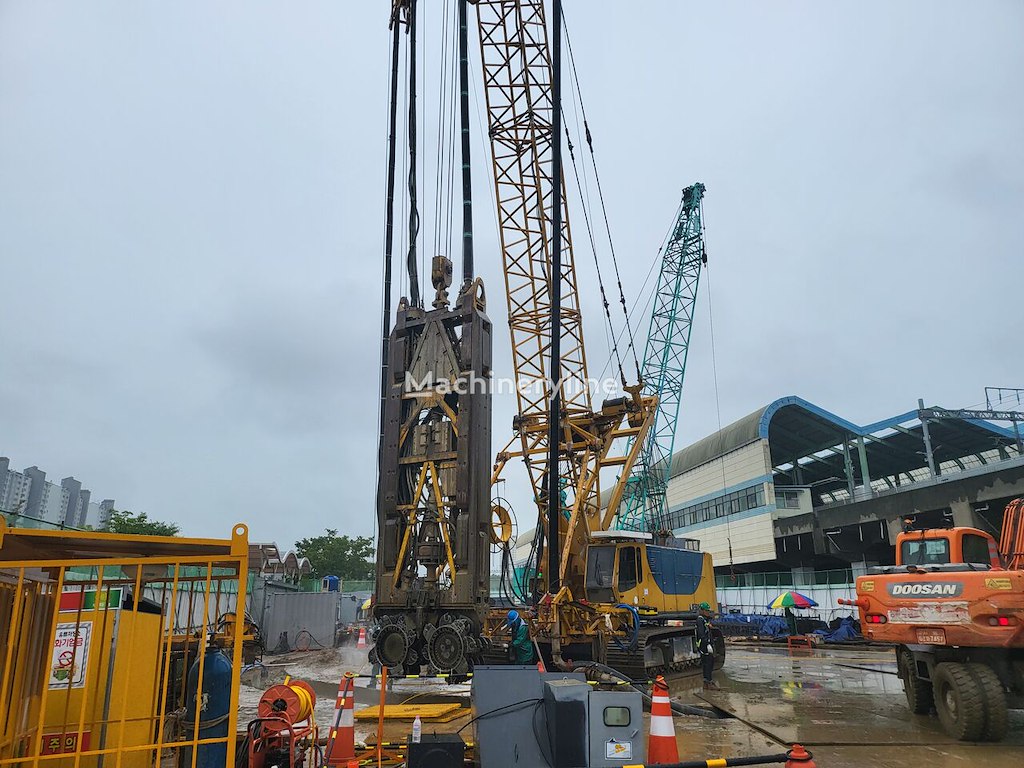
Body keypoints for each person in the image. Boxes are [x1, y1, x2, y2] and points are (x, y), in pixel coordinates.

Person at [696, 601, 720, 690]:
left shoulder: (704, 620)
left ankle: (708, 682)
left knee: (710, 662)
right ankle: (707, 682)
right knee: (707, 663)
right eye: (706, 611)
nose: (708, 612)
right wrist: (706, 644)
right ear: (702, 610)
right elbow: (701, 634)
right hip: (704, 645)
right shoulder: (700, 620)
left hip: (707, 644)